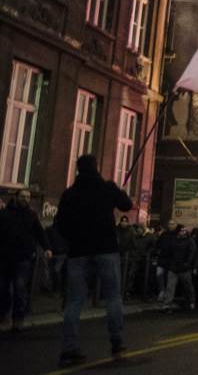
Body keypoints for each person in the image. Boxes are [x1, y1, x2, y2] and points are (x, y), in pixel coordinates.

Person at [53, 155, 133, 366]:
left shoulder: (70, 194)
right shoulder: (106, 188)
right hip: (106, 247)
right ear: (96, 167)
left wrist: (73, 238)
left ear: (78, 170)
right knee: (113, 297)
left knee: (74, 301)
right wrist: (119, 191)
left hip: (78, 251)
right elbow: (127, 205)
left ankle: (69, 347)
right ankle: (117, 342)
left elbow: (59, 223)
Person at [0, 189, 51, 332]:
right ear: (16, 197)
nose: (26, 199)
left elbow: (40, 232)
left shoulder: (31, 215)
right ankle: (4, 315)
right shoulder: (5, 214)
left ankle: (18, 319)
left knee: (19, 288)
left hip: (23, 257)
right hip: (5, 256)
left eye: (28, 197)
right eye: (23, 196)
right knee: (4, 288)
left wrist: (46, 247)